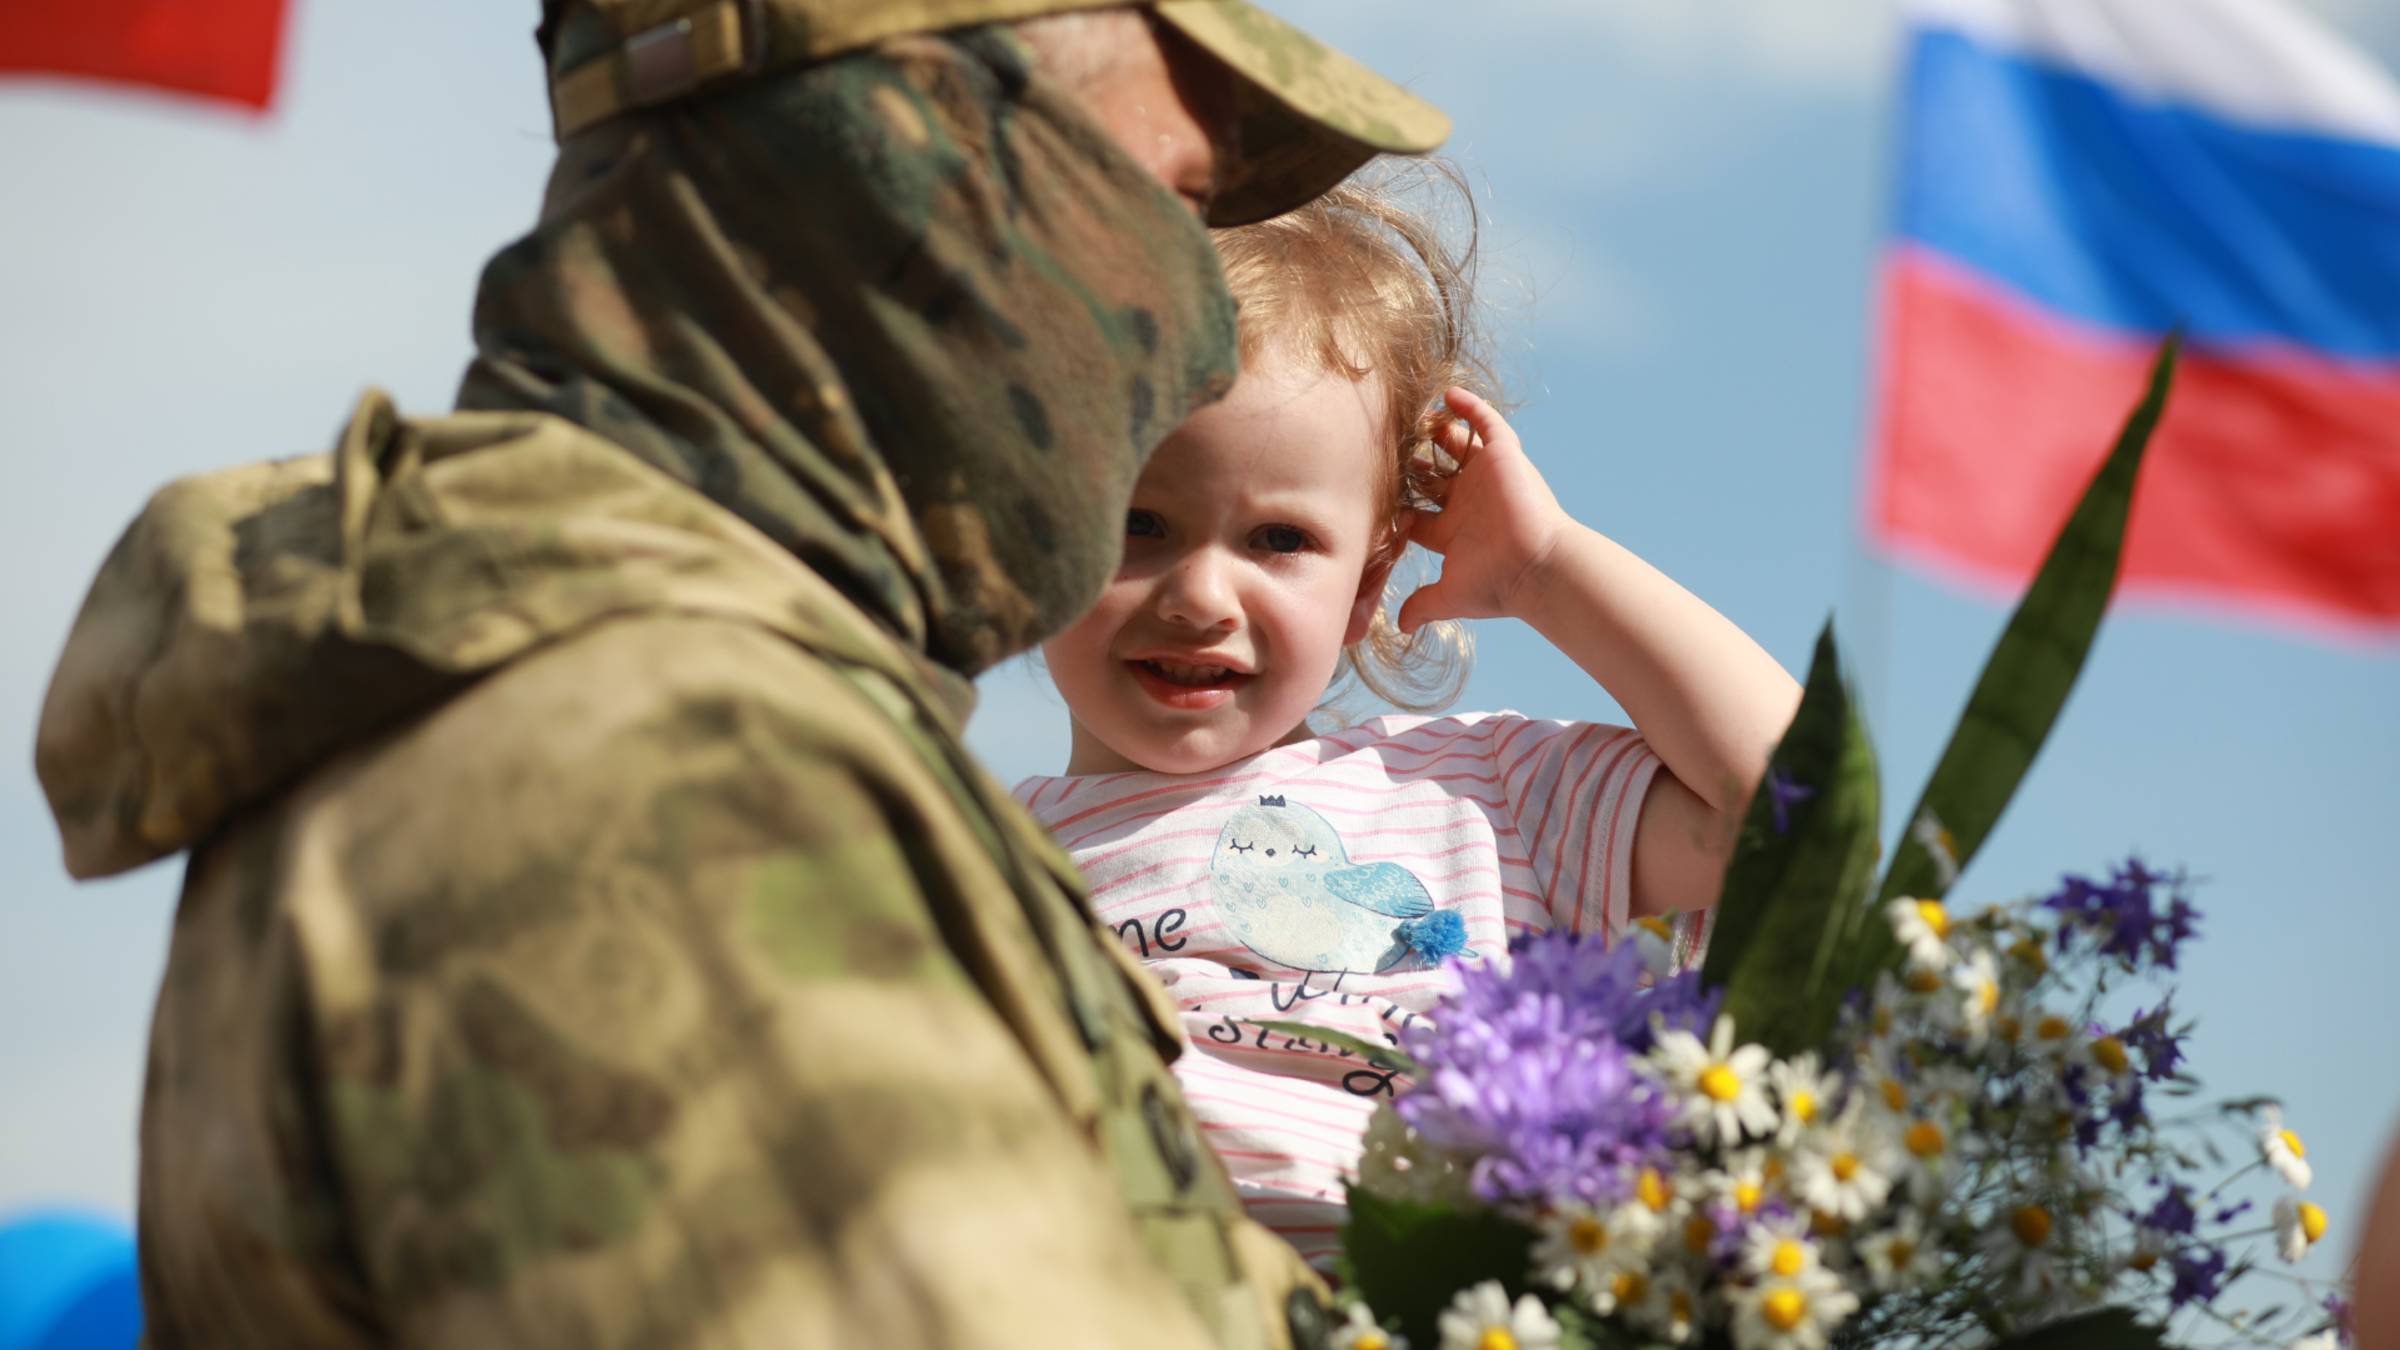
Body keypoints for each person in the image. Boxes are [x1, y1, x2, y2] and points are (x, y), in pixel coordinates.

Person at [33, 4, 1452, 1347]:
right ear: (913, 156)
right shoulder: (644, 774)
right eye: (1178, 205)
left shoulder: (626, 693)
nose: (1200, 330)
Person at [1010, 175, 1804, 1267]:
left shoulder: (1483, 796)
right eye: (1139, 522)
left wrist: (1544, 570)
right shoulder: (973, 860)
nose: (1200, 595)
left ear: (1373, 579)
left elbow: (1798, 811)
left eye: (1280, 540)